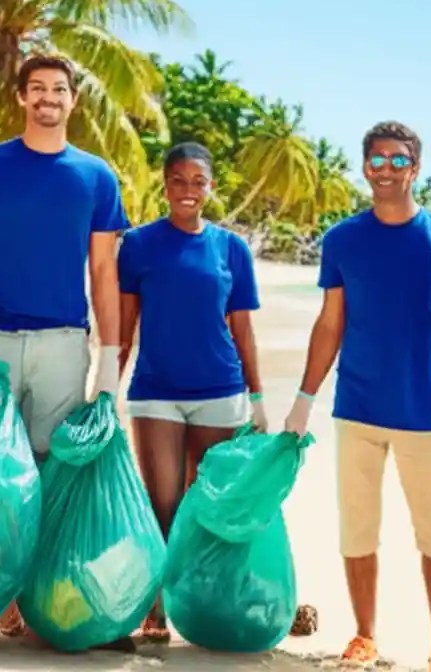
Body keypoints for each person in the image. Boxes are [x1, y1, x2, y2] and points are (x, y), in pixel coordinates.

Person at [0, 54, 130, 640]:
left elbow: (103, 271)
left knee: (47, 466)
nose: (48, 97)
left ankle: (33, 593)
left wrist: (112, 360)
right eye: (37, 88)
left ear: (74, 100)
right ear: (21, 97)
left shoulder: (97, 176)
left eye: (59, 89)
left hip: (65, 342)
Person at [282, 122, 431, 671]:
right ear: (365, 168)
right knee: (357, 527)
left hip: (424, 414)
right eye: (377, 161)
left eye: (398, 161)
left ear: (416, 168)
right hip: (356, 408)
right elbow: (331, 322)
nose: (387, 170)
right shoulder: (342, 240)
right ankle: (364, 635)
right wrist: (303, 398)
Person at [115, 141, 269, 641]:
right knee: (163, 505)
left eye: (197, 182)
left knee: (207, 507)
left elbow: (242, 329)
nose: (187, 190)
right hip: (156, 390)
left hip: (220, 391)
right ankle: (155, 608)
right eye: (178, 181)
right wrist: (102, 392)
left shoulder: (231, 248)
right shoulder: (138, 245)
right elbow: (124, 326)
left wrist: (260, 398)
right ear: (165, 185)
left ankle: (205, 605)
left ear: (211, 187)